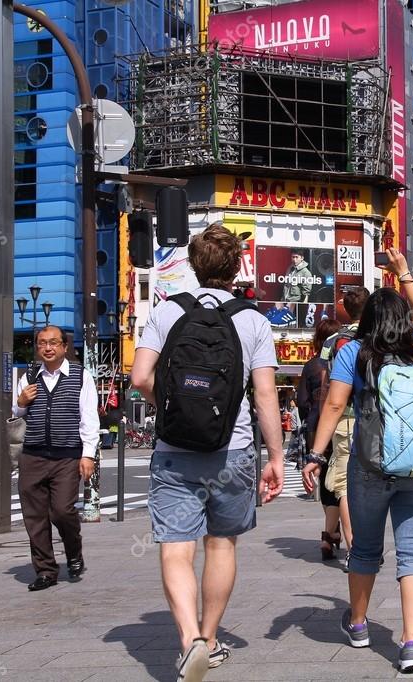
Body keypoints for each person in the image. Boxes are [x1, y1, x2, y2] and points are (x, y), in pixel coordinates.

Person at [131, 222, 285, 682]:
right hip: (233, 451)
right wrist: (275, 456)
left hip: (176, 449)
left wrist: (171, 409)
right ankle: (212, 638)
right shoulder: (253, 320)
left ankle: (189, 640)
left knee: (176, 549)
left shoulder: (166, 312)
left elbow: (140, 378)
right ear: (237, 266)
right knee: (221, 545)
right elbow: (264, 395)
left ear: (194, 267)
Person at [301, 249, 413, 674]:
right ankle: (411, 642)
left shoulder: (353, 352)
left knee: (364, 548)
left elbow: (334, 405)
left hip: (370, 464)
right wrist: (404, 273)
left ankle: (358, 624)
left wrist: (315, 454)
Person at [13, 325, 99, 592]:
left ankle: (73, 551)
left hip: (66, 456)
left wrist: (88, 455)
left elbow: (89, 418)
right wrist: (21, 400)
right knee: (34, 515)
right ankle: (46, 570)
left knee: (62, 511)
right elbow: (16, 413)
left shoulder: (80, 375)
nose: (47, 348)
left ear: (64, 347)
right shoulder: (28, 375)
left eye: (53, 343)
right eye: (42, 343)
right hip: (33, 455)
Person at [315, 285, 371, 571]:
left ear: (346, 310)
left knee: (345, 486)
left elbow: (327, 386)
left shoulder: (335, 341)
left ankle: (355, 549)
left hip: (346, 419)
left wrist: (322, 426)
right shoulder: (379, 337)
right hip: (378, 419)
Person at [297, 317, 343, 560]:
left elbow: (302, 401)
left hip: (317, 429)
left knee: (326, 479)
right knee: (343, 483)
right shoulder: (345, 360)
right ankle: (332, 533)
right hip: (341, 426)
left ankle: (330, 533)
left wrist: (311, 415)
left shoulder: (312, 366)